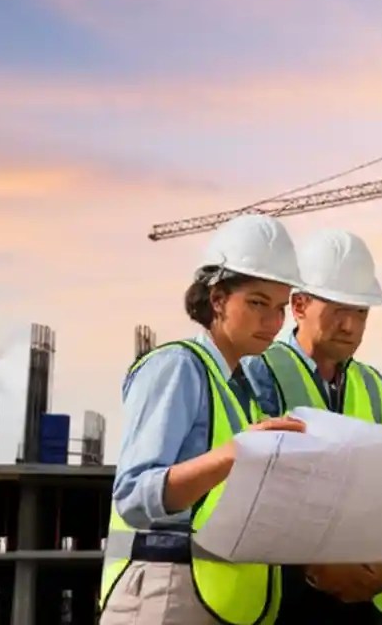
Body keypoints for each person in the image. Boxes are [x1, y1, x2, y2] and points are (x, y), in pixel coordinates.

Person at [99, 214, 309, 625]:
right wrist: (235, 454)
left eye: (280, 307)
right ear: (216, 299)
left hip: (219, 598)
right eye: (257, 303)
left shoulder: (241, 390)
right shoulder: (177, 366)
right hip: (166, 594)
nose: (273, 322)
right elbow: (134, 495)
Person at [238, 228, 382, 625]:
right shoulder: (257, 372)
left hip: (361, 598)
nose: (349, 325)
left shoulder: (375, 387)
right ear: (299, 306)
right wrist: (314, 566)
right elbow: (246, 487)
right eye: (338, 310)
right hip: (283, 595)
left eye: (360, 312)